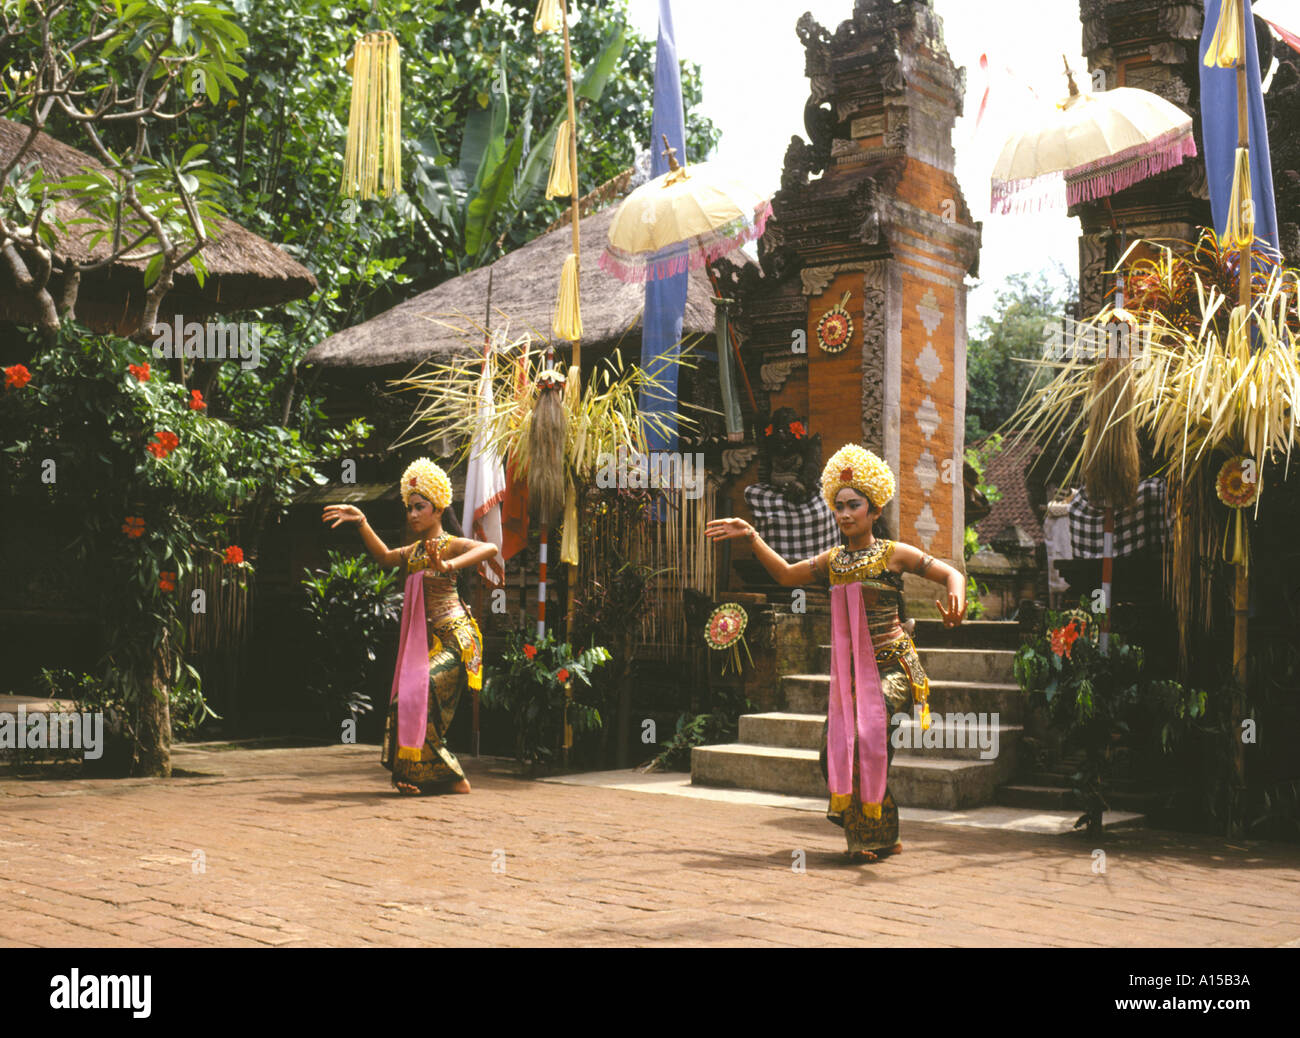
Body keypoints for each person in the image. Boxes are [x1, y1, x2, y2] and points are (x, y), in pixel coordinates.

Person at [706, 443, 966, 862]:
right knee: (834, 749)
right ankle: (883, 828)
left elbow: (949, 573)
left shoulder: (894, 554)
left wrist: (957, 600)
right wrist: (751, 535)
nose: (845, 514)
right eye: (839, 506)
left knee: (866, 731)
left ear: (875, 510)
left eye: (854, 506)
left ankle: (865, 840)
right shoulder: (833, 560)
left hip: (895, 665)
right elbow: (788, 574)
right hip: (852, 673)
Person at [322, 457, 500, 796]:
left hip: (457, 639)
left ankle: (451, 777)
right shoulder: (415, 551)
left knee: (417, 694)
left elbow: (489, 548)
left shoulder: (448, 544)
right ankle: (415, 774)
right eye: (409, 507)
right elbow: (386, 557)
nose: (413, 514)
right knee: (403, 700)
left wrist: (448, 564)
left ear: (437, 509)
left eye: (420, 507)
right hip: (429, 644)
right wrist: (361, 522)